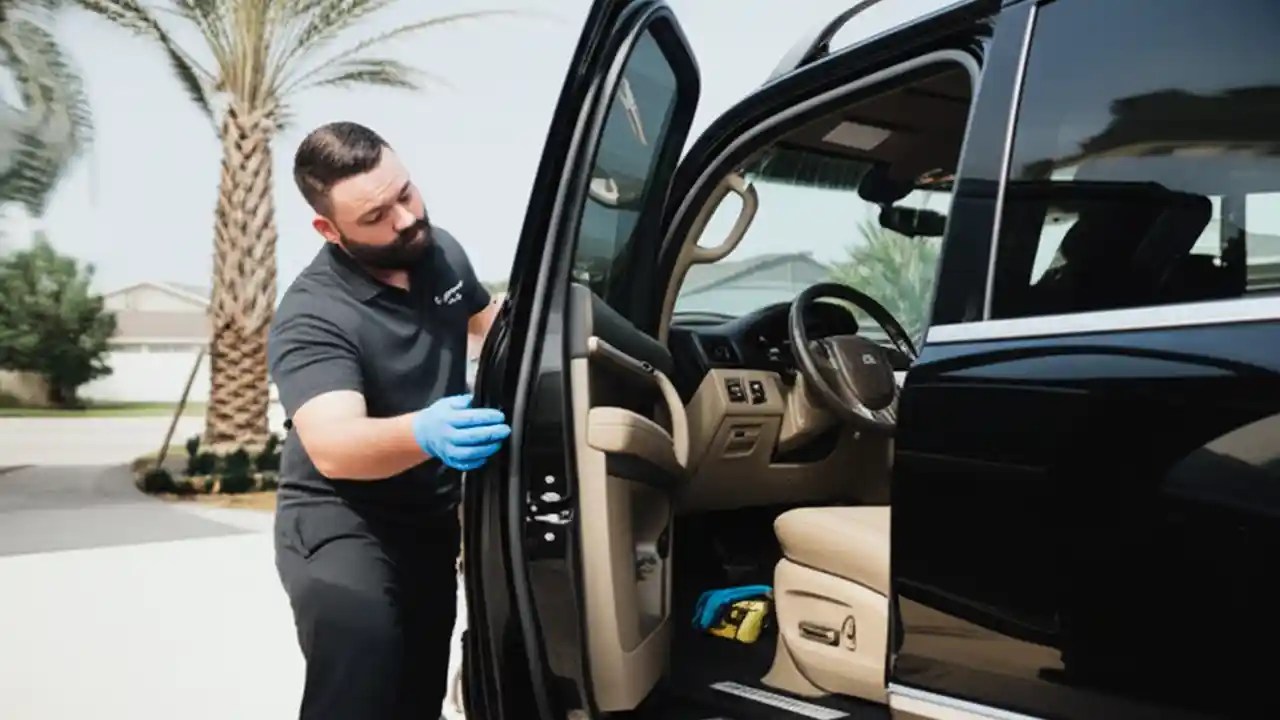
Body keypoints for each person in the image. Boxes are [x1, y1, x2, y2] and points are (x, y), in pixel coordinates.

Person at [267, 121, 510, 720]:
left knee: (417, 698)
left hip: (426, 524)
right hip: (342, 524)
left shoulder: (440, 251)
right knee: (361, 688)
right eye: (375, 216)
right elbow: (334, 445)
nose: (404, 220)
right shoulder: (313, 314)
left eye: (405, 193)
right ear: (329, 230)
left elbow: (490, 324)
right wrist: (423, 431)